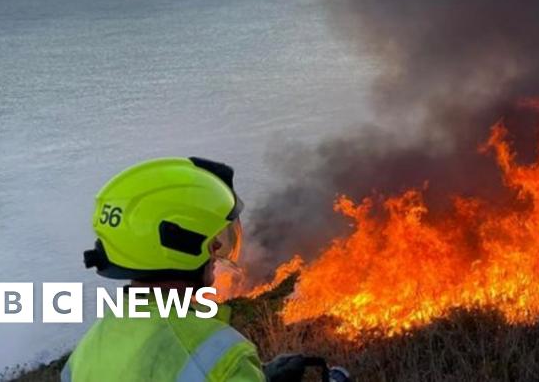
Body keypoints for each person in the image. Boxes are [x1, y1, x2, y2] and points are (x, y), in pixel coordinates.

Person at [62, 156, 347, 382]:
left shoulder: (86, 352)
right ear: (179, 247)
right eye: (214, 243)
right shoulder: (222, 357)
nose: (216, 255)